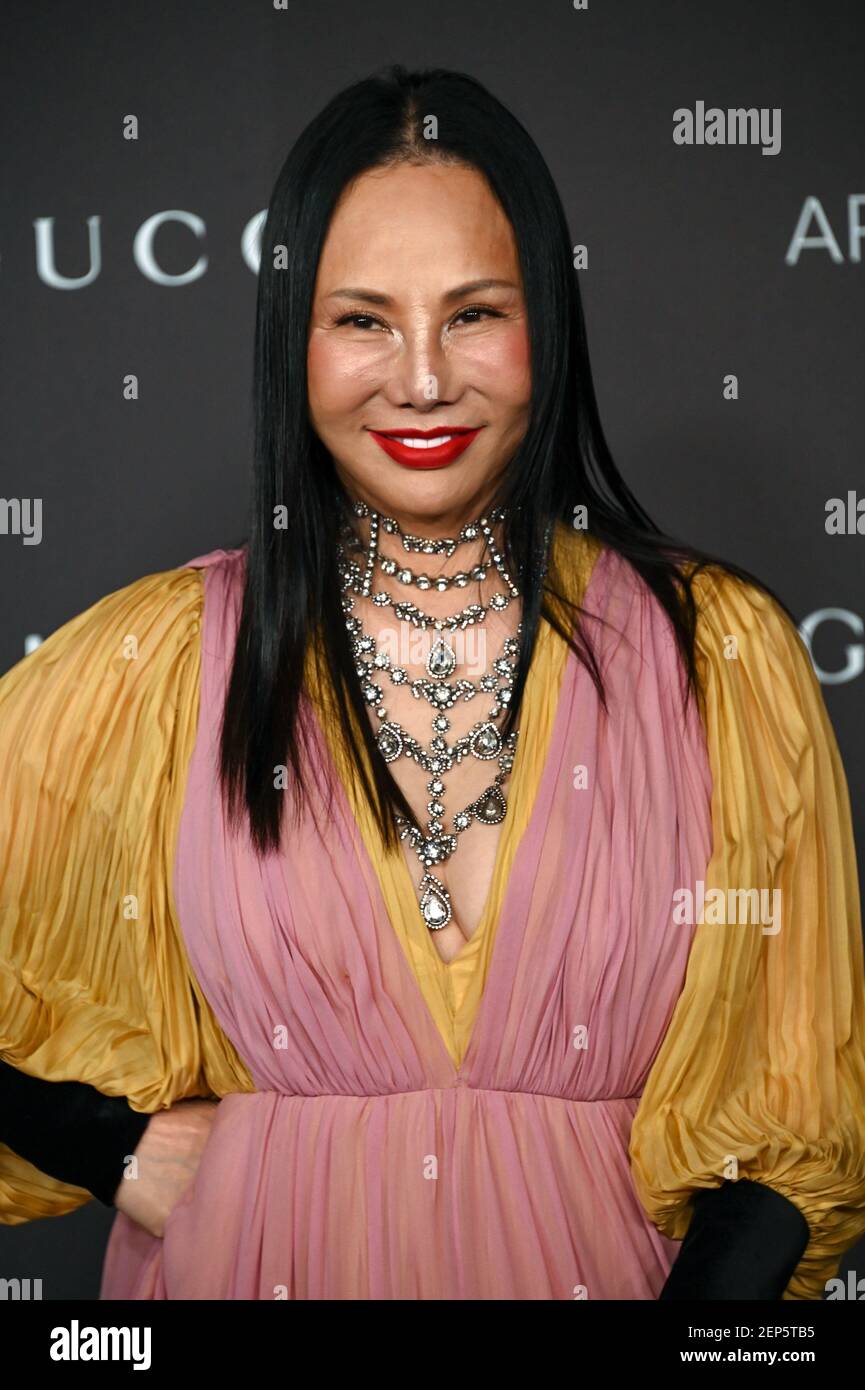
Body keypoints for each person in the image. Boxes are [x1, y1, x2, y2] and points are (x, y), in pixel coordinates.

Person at [1, 64, 864, 1301]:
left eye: (471, 313)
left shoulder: (717, 654)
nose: (418, 379)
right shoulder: (160, 660)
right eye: (361, 319)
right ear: (292, 342)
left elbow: (794, 1120)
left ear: (546, 328)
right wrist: (105, 1142)